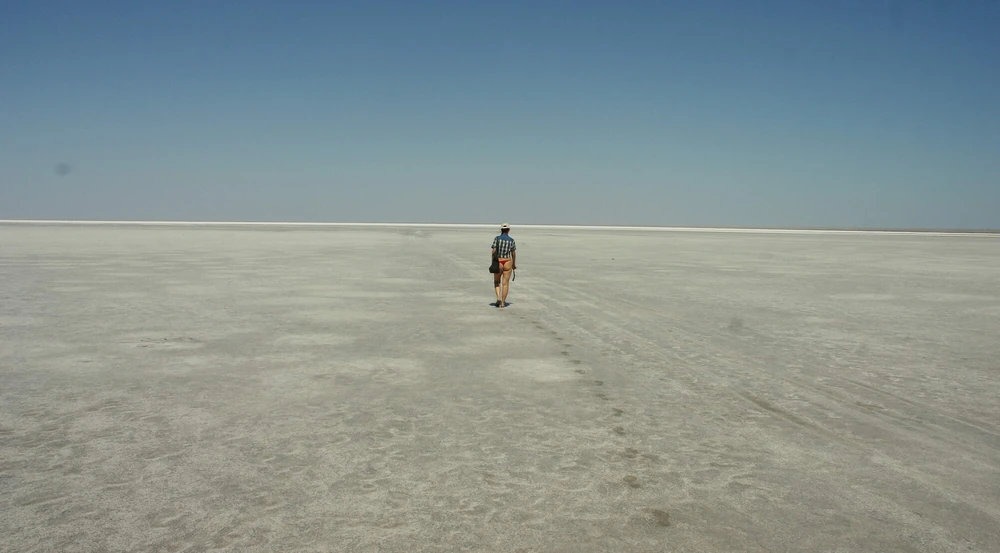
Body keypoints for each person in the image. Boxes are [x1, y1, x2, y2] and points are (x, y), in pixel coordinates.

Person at [491, 223, 516, 308]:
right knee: (505, 284)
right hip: (508, 261)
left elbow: (494, 251)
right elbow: (513, 253)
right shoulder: (511, 240)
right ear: (508, 230)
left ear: (501, 230)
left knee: (497, 282)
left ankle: (498, 298)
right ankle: (503, 303)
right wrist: (514, 264)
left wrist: (493, 262)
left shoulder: (497, 239)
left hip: (499, 261)